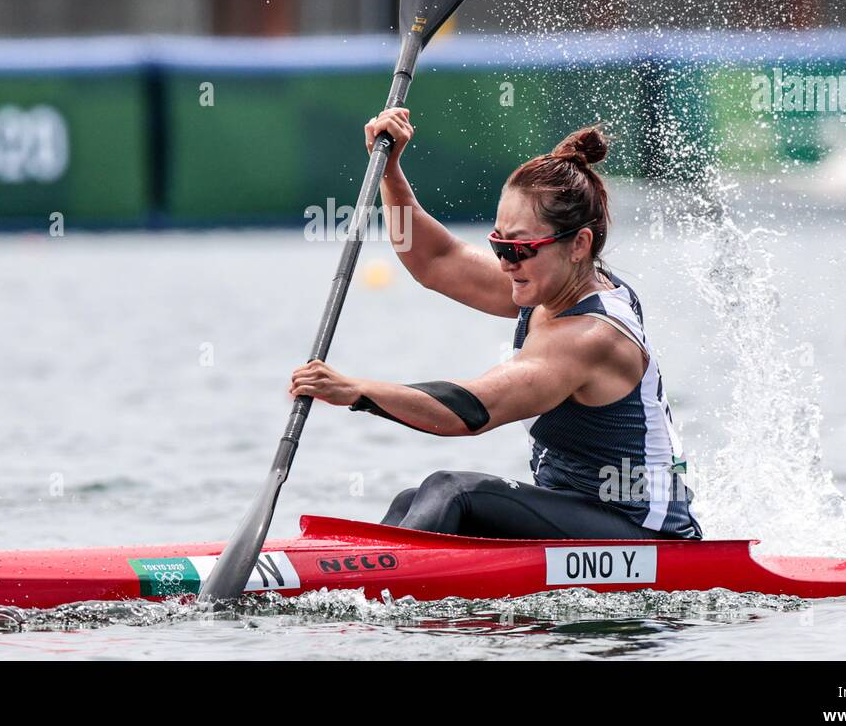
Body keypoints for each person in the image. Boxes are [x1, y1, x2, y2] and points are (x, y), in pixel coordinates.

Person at [288, 107, 701, 540]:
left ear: (579, 245)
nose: (505, 263)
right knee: (412, 500)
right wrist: (390, 170)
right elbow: (434, 260)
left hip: (647, 535)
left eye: (520, 248)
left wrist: (358, 391)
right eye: (499, 244)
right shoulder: (548, 282)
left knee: (451, 491)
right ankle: (354, 576)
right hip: (581, 511)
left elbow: (472, 411)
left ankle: (365, 583)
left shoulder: (590, 336)